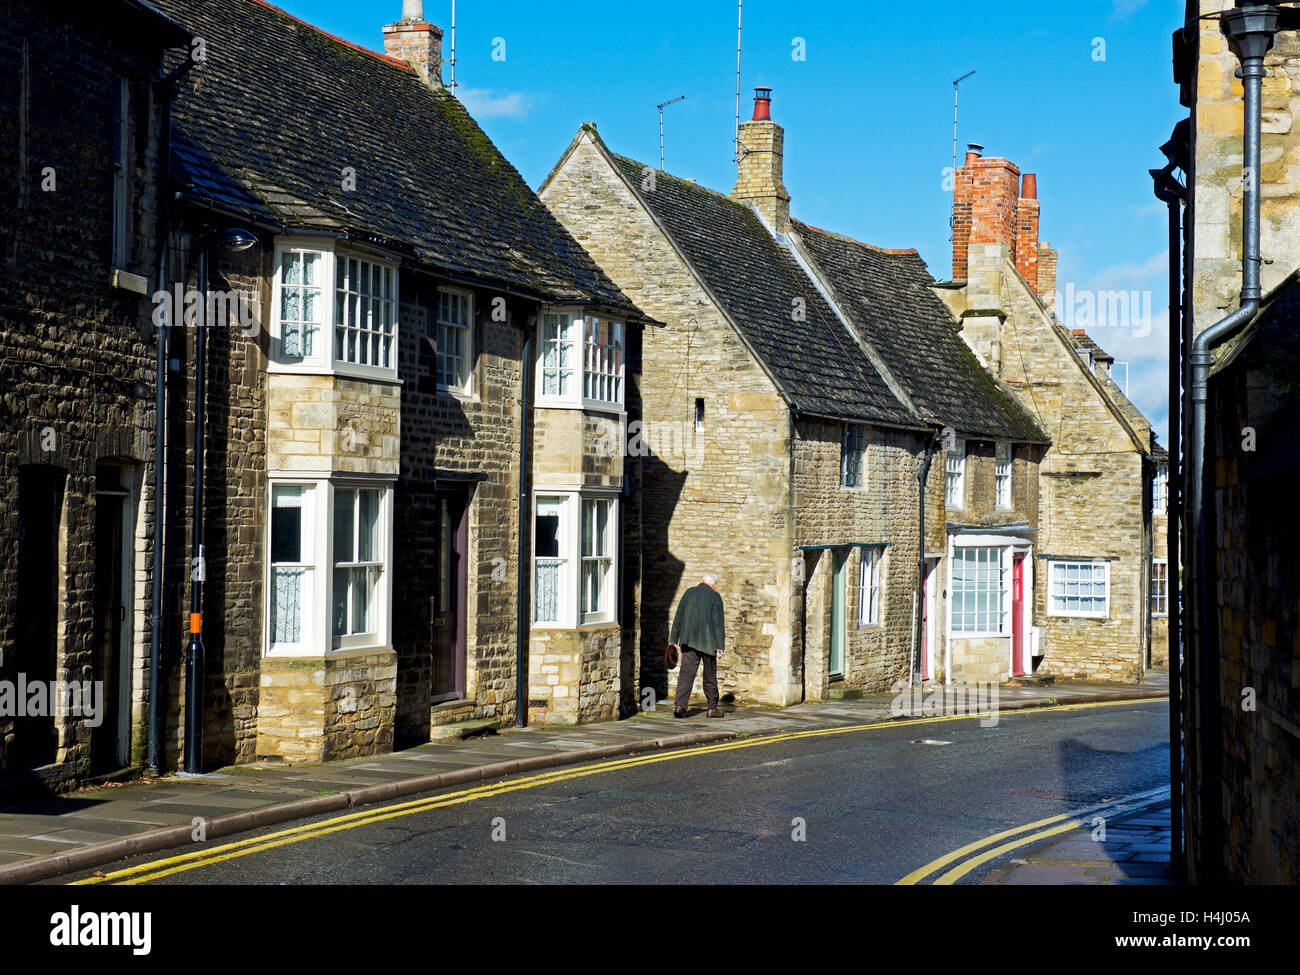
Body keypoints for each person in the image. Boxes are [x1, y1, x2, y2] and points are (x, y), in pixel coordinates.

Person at [669, 572, 726, 718]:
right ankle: (712, 708)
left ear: (701, 581)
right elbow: (718, 624)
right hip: (709, 644)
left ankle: (680, 706)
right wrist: (720, 647)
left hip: (688, 641)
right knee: (710, 676)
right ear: (713, 584)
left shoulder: (689, 593)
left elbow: (678, 617)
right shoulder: (715, 596)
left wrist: (673, 641)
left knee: (686, 674)